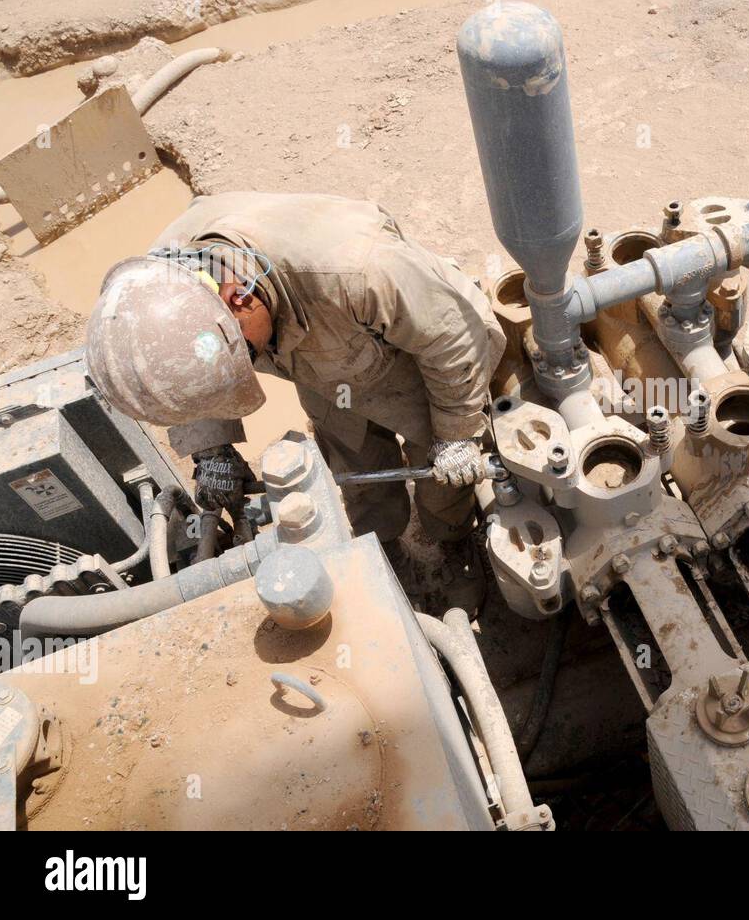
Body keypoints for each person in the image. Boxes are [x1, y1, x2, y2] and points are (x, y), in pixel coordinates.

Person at [85, 191, 505, 612]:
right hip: (322, 369)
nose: (247, 369)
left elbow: (452, 339)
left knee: (441, 477)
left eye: (245, 357)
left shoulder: (357, 268)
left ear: (241, 297)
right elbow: (183, 379)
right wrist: (211, 448)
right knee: (356, 471)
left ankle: (454, 545)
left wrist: (457, 433)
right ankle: (386, 550)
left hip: (416, 357)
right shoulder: (165, 285)